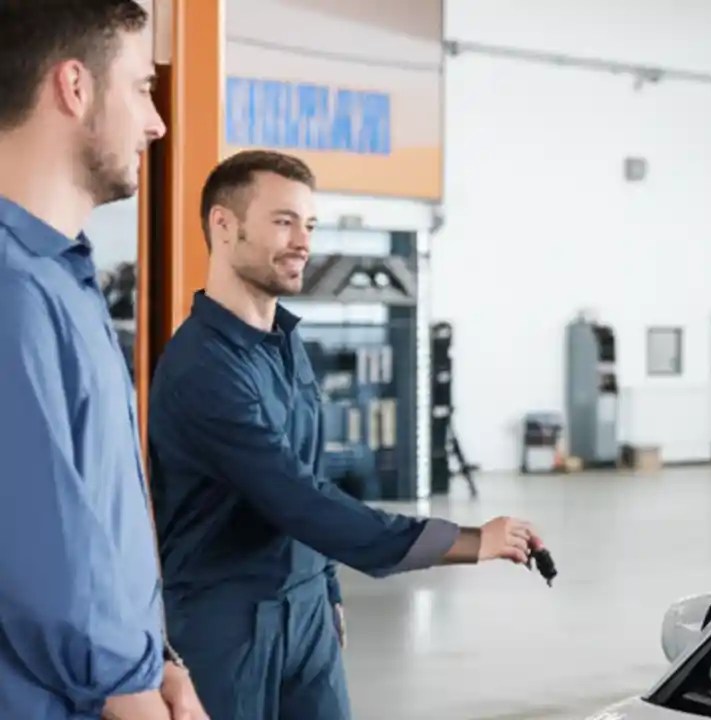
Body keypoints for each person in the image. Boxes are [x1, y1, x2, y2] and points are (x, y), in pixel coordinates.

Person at [147, 149, 547, 720]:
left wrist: (327, 590)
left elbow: (312, 475)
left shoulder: (286, 344)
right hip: (227, 622)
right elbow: (298, 499)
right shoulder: (204, 368)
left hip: (306, 611)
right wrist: (468, 541)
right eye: (283, 221)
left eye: (309, 225)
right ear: (223, 224)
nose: (303, 241)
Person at [0, 2, 208, 719]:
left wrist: (158, 661)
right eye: (143, 87)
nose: (158, 123)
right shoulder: (11, 289)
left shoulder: (64, 280)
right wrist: (131, 690)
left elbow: (99, 527)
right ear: (75, 87)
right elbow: (37, 552)